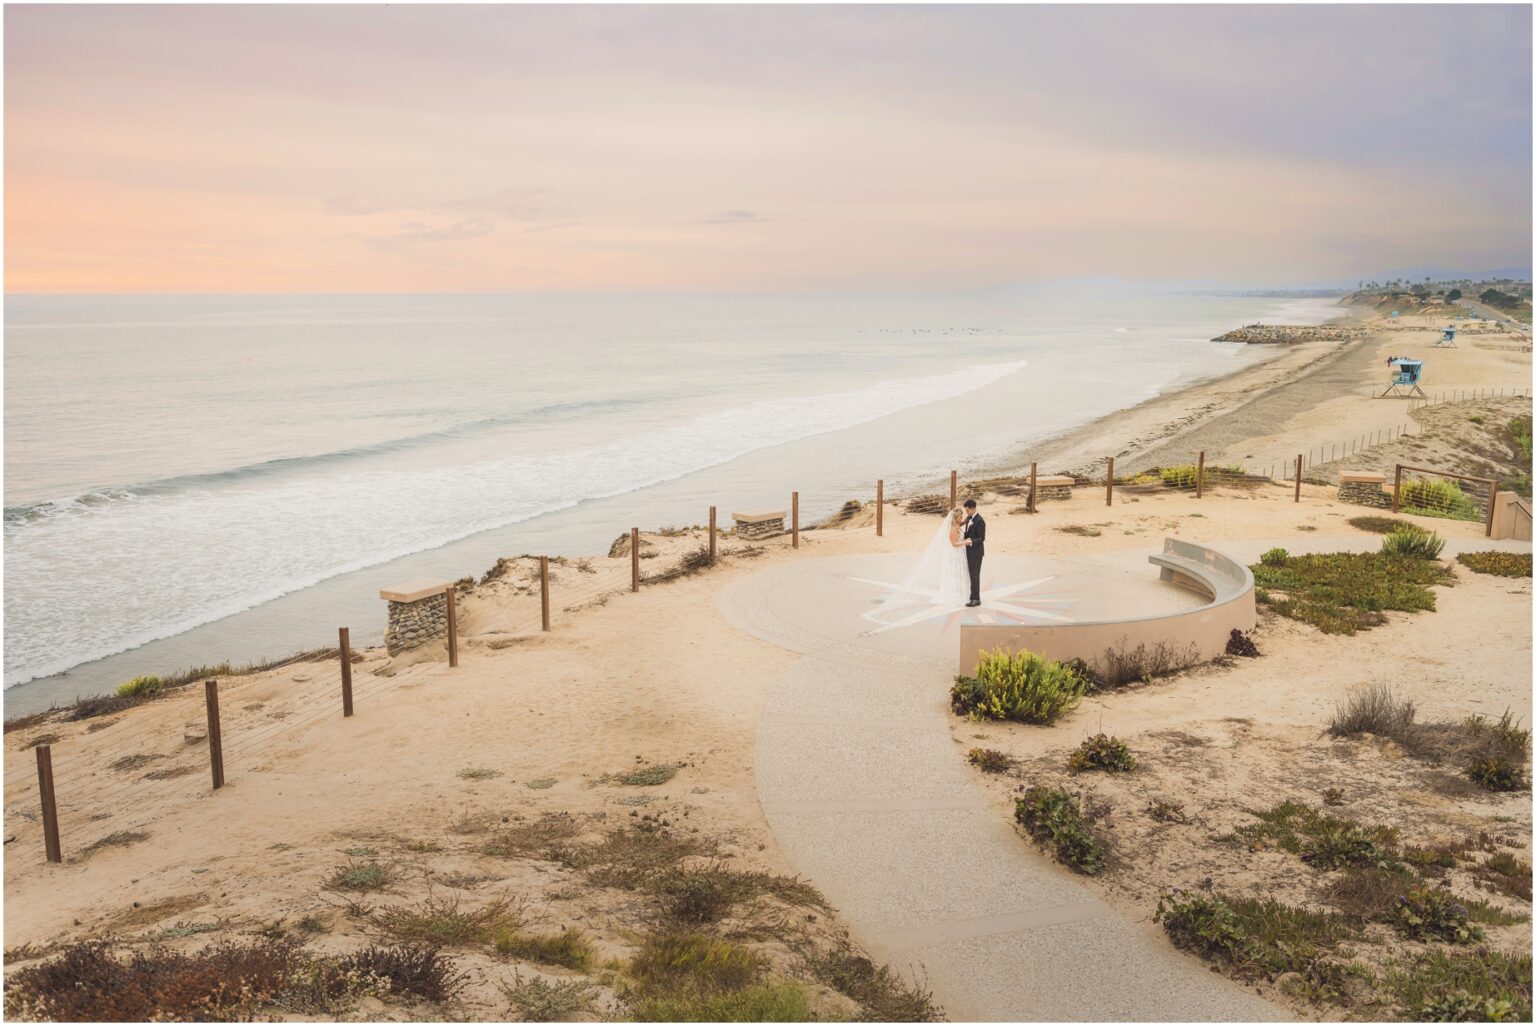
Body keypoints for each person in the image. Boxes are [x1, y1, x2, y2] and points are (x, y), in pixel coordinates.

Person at [961, 498, 985, 606]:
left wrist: (970, 541)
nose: (967, 512)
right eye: (966, 510)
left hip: (976, 553)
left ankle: (976, 599)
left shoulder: (980, 521)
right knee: (972, 575)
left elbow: (981, 538)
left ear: (973, 508)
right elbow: (966, 531)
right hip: (969, 552)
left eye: (968, 510)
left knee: (975, 575)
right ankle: (973, 596)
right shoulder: (969, 518)